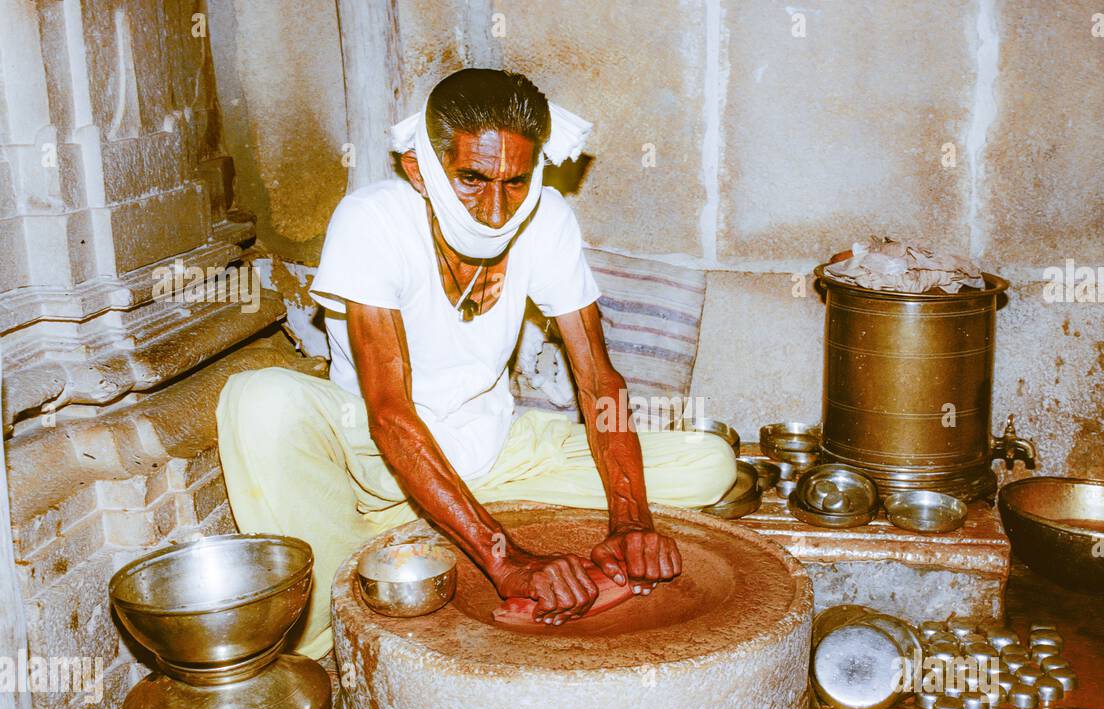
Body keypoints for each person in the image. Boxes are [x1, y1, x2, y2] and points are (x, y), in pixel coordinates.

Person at [216, 68, 735, 658]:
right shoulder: (373, 220)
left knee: (708, 464)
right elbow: (388, 412)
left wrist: (631, 518)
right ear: (421, 169)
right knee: (258, 401)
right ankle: (335, 633)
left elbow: (599, 382)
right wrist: (505, 558)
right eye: (471, 179)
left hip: (495, 454)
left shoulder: (547, 219)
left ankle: (413, 546)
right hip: (379, 458)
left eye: (516, 181)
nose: (495, 209)